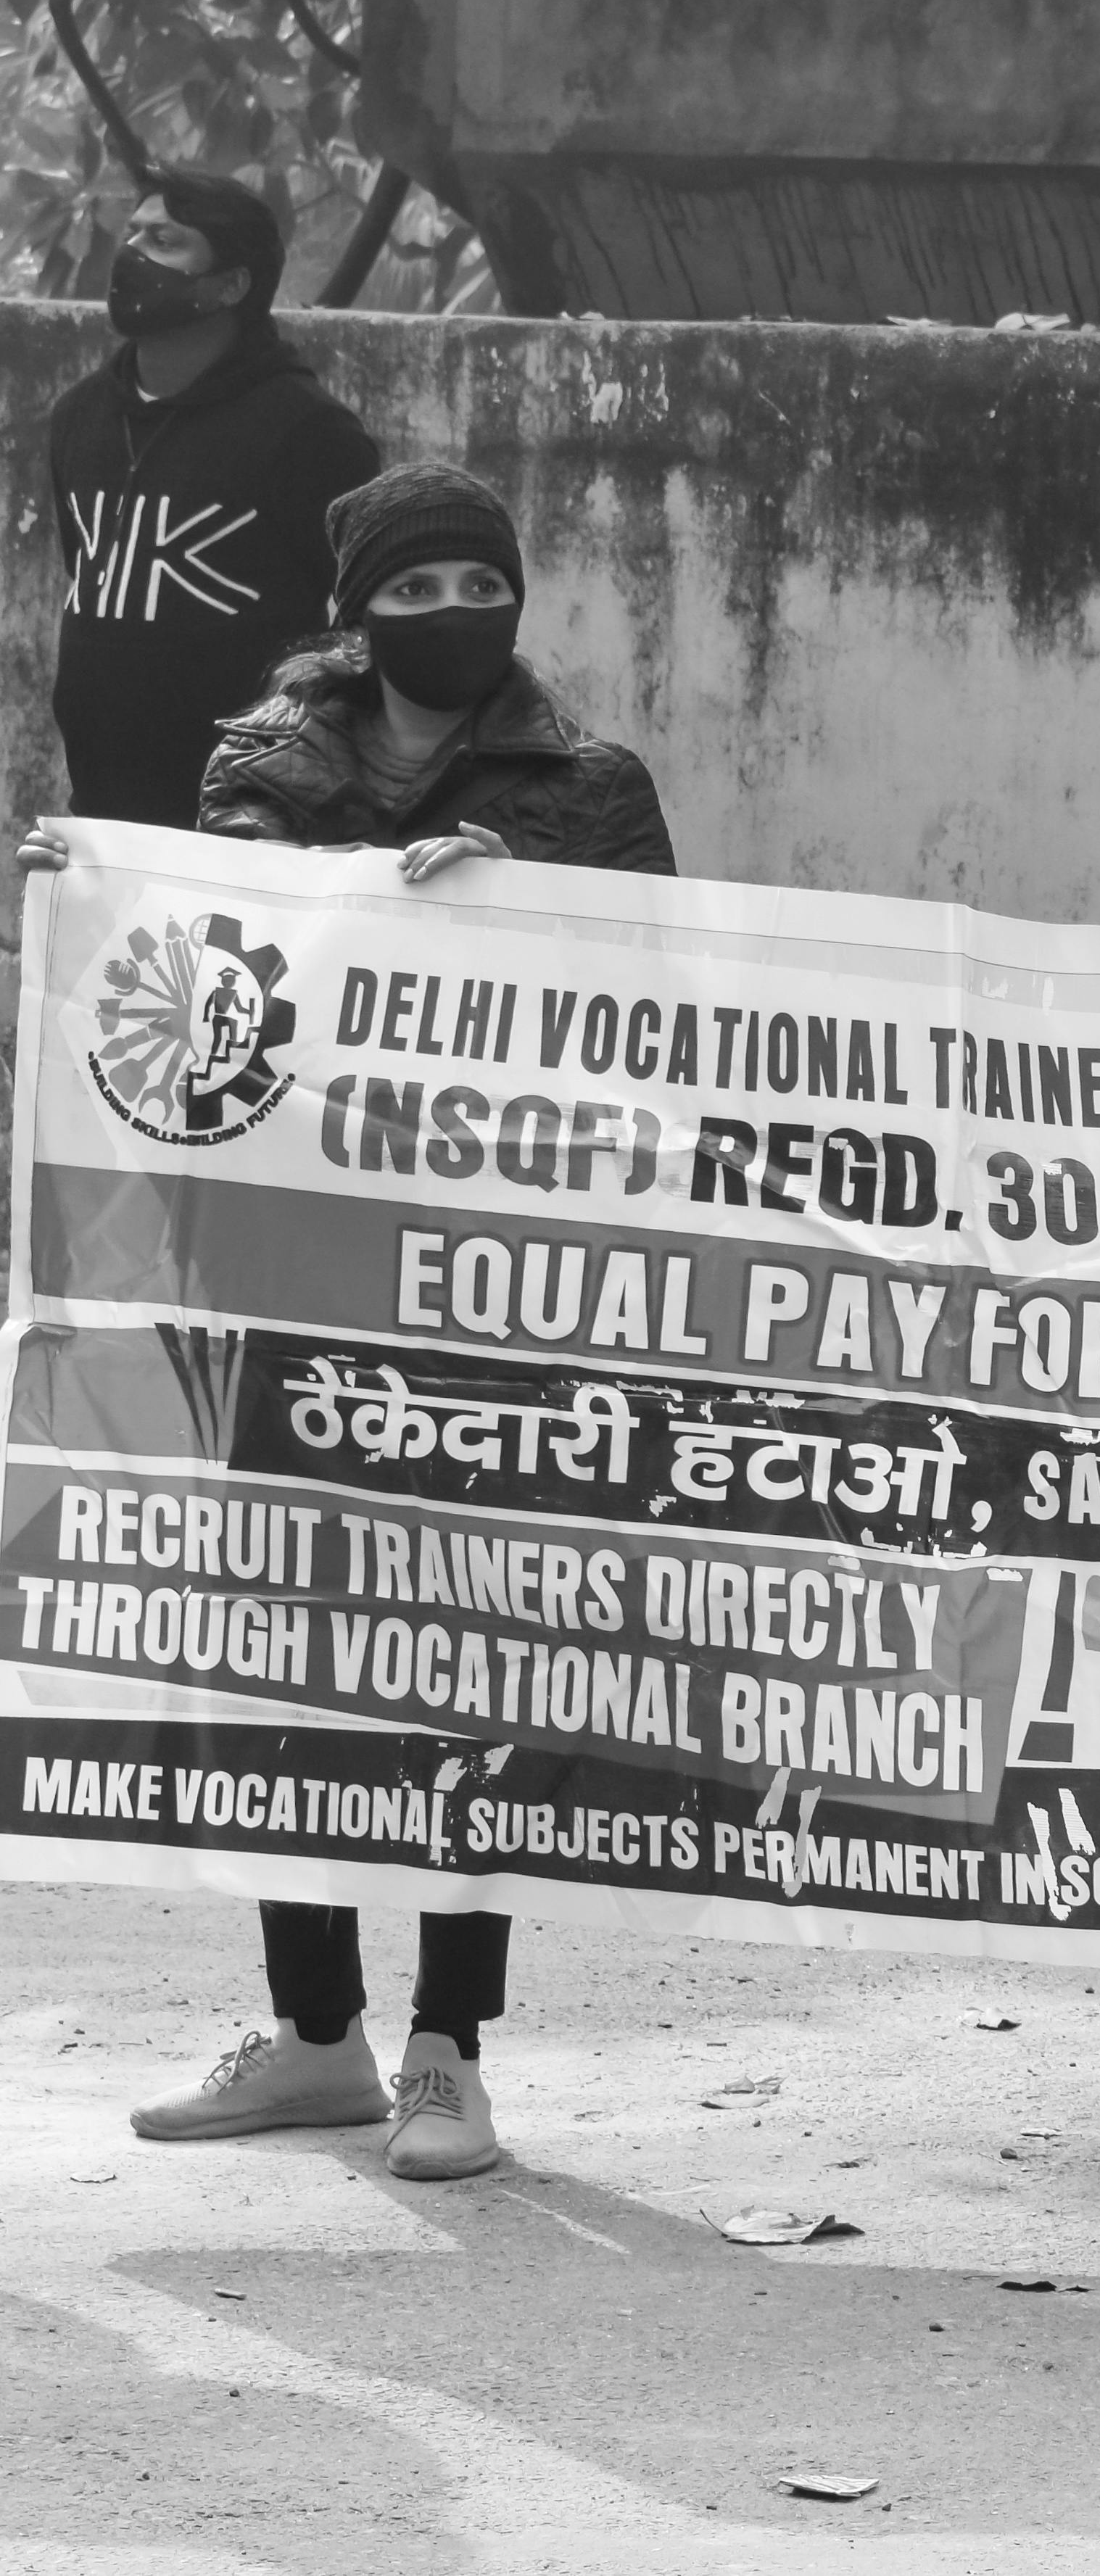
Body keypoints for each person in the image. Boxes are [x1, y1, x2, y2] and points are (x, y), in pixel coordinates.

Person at [23, 460, 675, 2179]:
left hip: (492, 1290)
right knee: (281, 1642)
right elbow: (200, 970)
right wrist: (93, 885)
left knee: (473, 1649)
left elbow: (662, 1013)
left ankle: (451, 2047)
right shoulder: (264, 769)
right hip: (275, 1269)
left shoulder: (590, 790)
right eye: (420, 588)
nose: (456, 615)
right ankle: (318, 2031)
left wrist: (520, 904)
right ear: (361, 610)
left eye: (485, 584)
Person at [46, 168, 379, 827]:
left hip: (250, 819)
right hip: (100, 813)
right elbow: (86, 573)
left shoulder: (308, 431)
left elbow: (360, 626)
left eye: (165, 241)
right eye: (133, 232)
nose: (134, 254)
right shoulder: (78, 416)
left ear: (230, 285)